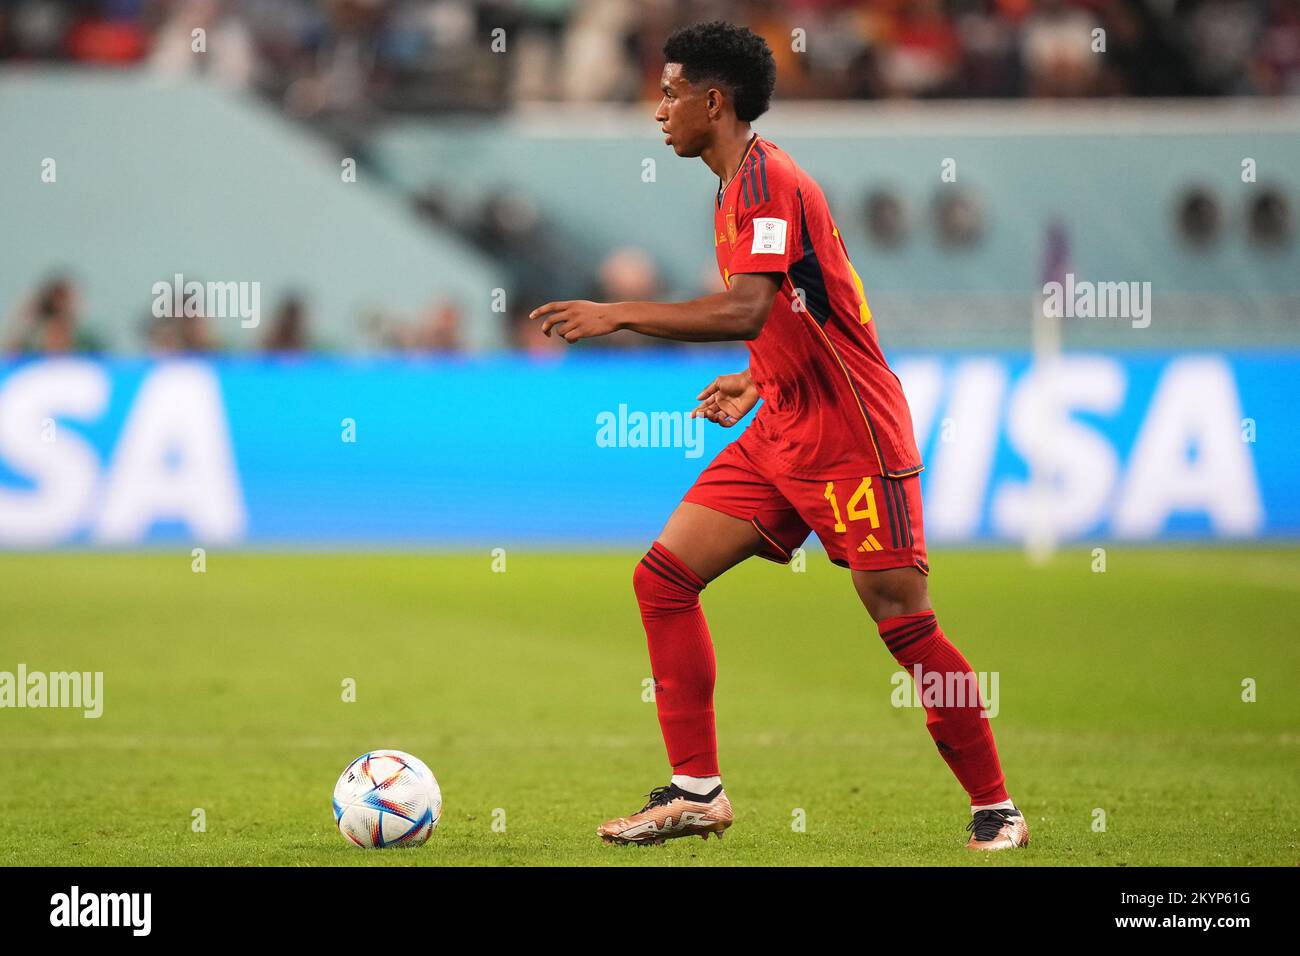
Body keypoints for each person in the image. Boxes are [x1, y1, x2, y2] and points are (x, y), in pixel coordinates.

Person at [529, 20, 1026, 853]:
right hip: (784, 422)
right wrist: (761, 376)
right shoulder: (734, 185)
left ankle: (995, 806)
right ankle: (696, 792)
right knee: (663, 579)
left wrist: (617, 313)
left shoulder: (766, 181)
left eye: (672, 90)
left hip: (851, 434)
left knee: (901, 620)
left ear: (713, 101)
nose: (660, 109)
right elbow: (803, 301)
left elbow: (747, 308)